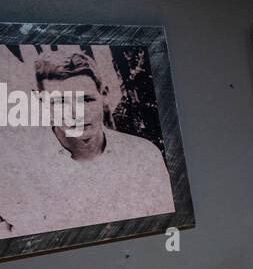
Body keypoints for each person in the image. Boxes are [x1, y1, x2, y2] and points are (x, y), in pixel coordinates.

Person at [30, 51, 176, 228]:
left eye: (87, 99)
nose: (78, 113)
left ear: (104, 94)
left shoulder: (144, 155)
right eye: (61, 102)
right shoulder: (27, 173)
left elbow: (166, 229)